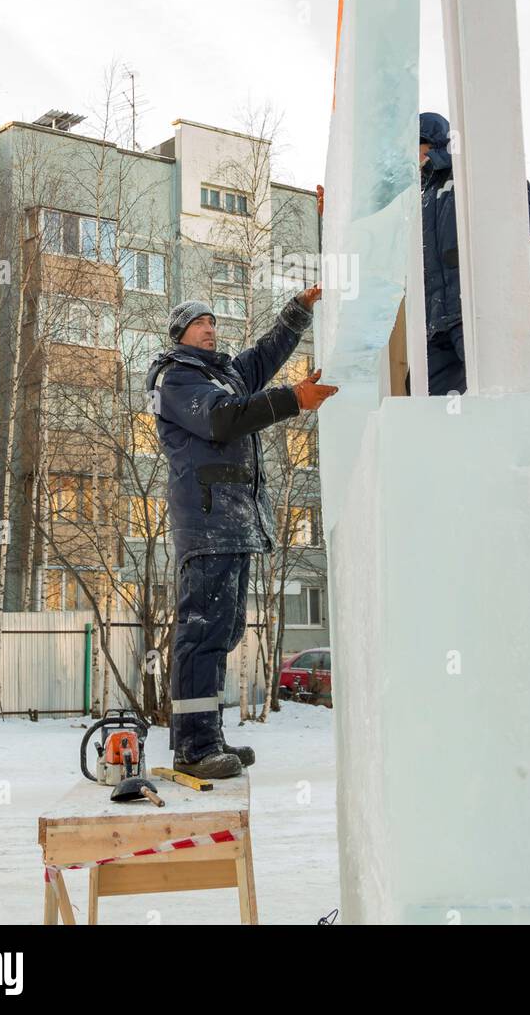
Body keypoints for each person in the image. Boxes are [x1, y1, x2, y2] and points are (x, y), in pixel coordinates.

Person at [146, 291, 338, 779]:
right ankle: (193, 746)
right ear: (180, 335)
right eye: (199, 324)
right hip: (206, 525)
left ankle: (209, 735)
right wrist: (294, 399)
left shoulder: (222, 373)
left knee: (224, 632)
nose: (210, 329)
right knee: (201, 633)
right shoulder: (178, 378)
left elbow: (265, 357)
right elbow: (223, 418)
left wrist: (297, 311)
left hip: (234, 523)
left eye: (212, 322)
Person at [419, 111, 530, 396]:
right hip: (435, 321)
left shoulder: (470, 170)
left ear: (430, 143)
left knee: (494, 388)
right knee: (425, 399)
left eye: (413, 146)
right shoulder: (420, 194)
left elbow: (522, 210)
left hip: (472, 311)